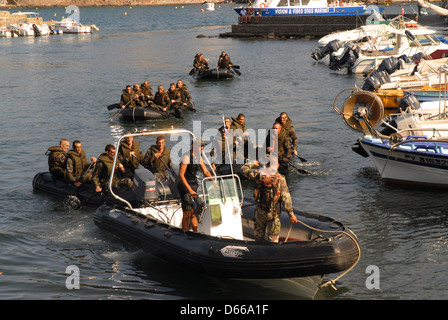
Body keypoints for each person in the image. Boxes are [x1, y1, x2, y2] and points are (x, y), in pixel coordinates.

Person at [241, 157, 297, 242]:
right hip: (273, 213)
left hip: (260, 211)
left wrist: (252, 162)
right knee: (273, 239)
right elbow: (286, 198)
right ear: (278, 165)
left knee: (258, 237)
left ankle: (258, 251)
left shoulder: (259, 174)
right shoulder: (280, 178)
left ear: (266, 165)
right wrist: (291, 214)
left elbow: (243, 169)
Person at [178, 138, 212, 232]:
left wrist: (214, 180)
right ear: (194, 145)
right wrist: (189, 190)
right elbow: (180, 175)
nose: (202, 148)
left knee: (193, 213)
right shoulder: (186, 157)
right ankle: (185, 234)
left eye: (203, 146)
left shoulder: (199, 157)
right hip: (185, 186)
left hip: (194, 185)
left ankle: (195, 233)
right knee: (187, 214)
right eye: (200, 146)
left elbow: (205, 170)